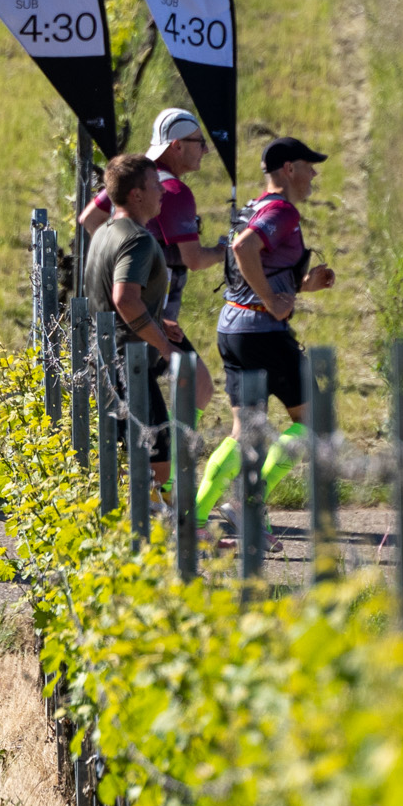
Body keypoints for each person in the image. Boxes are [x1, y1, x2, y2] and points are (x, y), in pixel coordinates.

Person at [193, 138, 337, 528]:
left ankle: (194, 514)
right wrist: (274, 301)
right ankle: (247, 505)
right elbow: (243, 248)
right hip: (263, 331)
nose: (314, 174)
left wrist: (303, 284)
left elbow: (255, 266)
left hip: (233, 328)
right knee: (314, 419)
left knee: (246, 429)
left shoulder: (252, 206)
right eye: (310, 165)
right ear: (289, 169)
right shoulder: (282, 211)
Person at [75, 108, 221, 415]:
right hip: (145, 314)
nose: (206, 149)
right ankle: (173, 454)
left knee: (189, 387)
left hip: (117, 316)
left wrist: (114, 257)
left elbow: (89, 219)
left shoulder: (137, 178)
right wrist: (227, 251)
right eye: (199, 141)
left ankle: (163, 451)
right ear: (177, 145)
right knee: (198, 388)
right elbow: (193, 259)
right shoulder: (174, 191)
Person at [84, 153, 195, 494]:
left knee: (131, 454)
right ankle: (159, 532)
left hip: (106, 356)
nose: (163, 192)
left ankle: (150, 527)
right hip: (127, 362)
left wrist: (157, 319)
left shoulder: (104, 231)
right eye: (155, 186)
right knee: (158, 455)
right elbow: (124, 299)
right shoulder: (137, 240)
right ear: (136, 194)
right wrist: (165, 345)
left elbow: (111, 294)